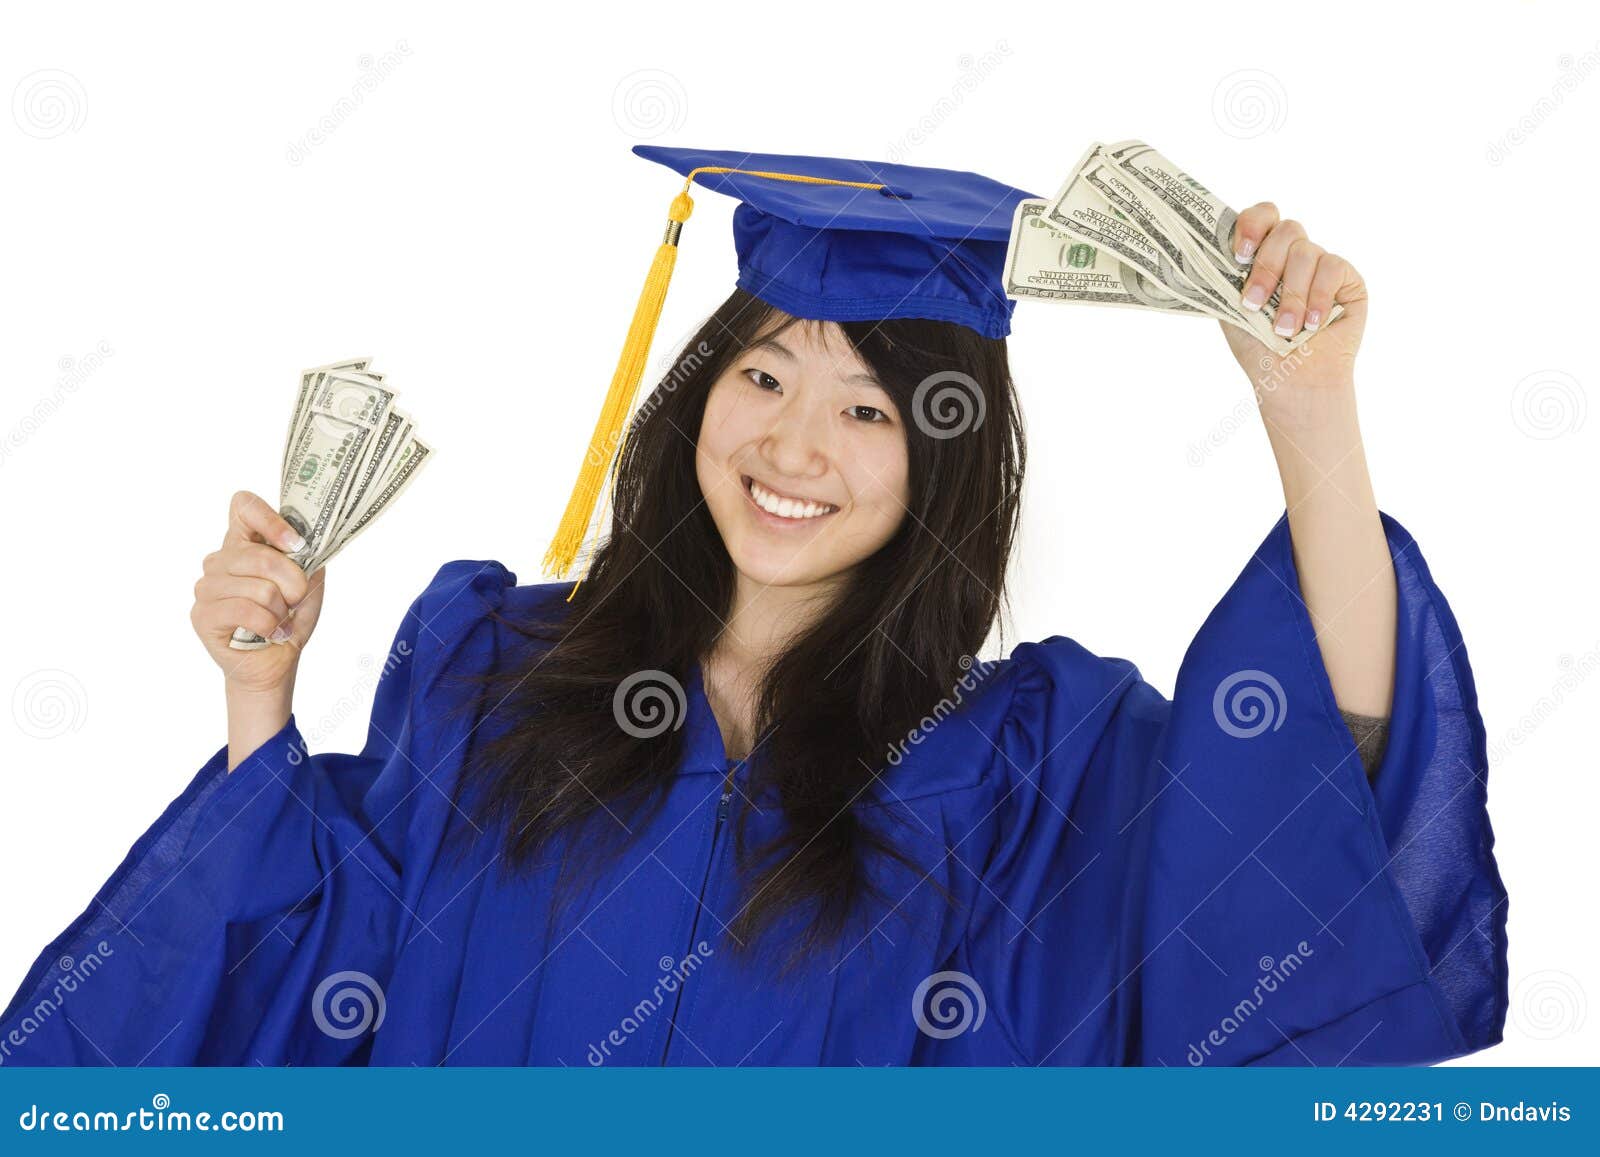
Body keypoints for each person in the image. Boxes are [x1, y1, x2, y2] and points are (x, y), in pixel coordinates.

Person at [1, 146, 1506, 1066]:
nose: (794, 444)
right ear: (696, 396)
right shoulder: (495, 669)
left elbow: (1311, 802)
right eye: (766, 373)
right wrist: (258, 688)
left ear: (946, 460)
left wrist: (1309, 410)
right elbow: (310, 962)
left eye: (871, 410)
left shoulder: (1031, 765)